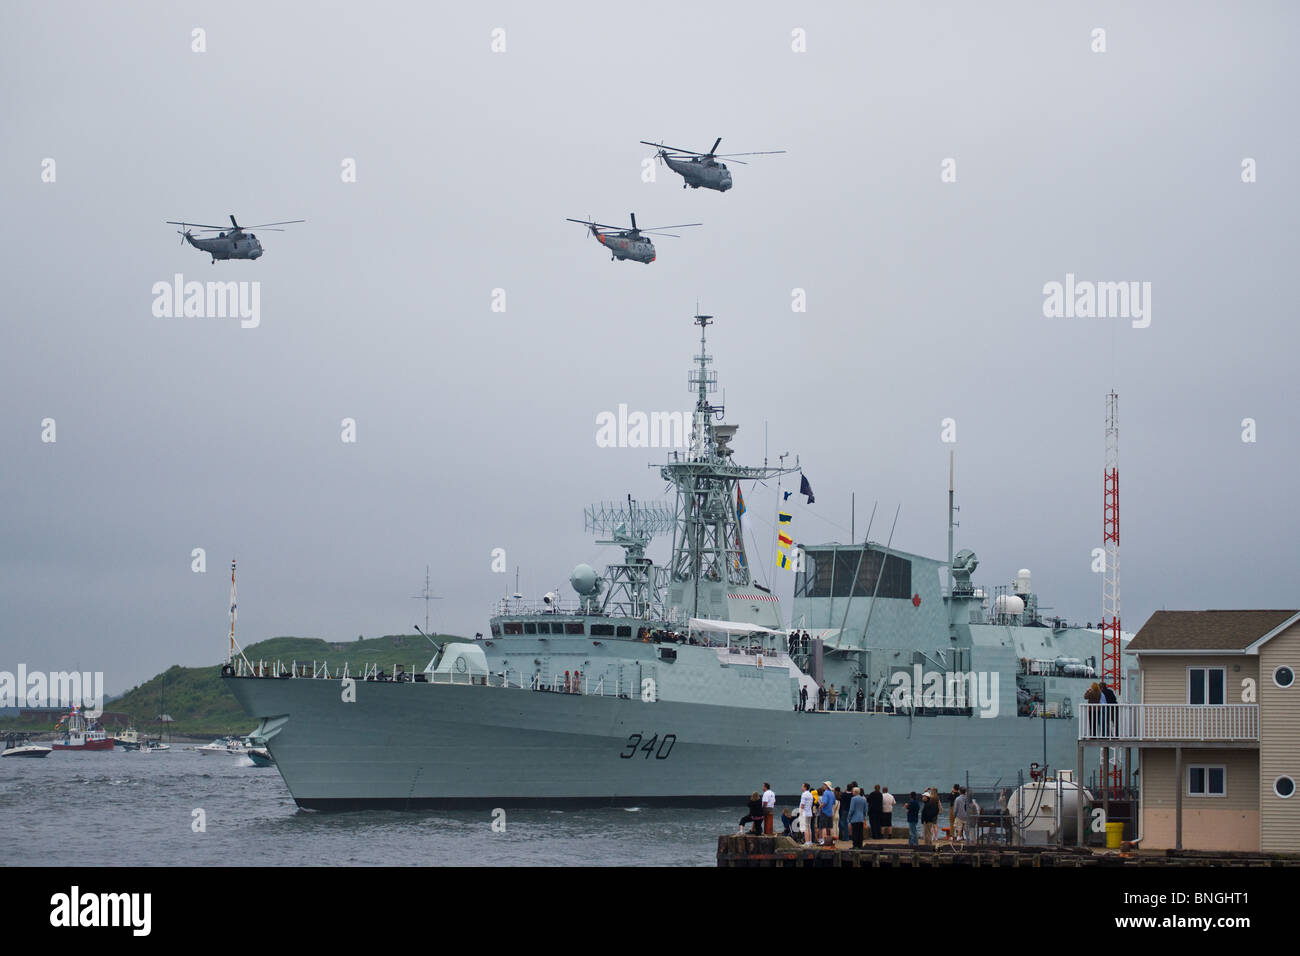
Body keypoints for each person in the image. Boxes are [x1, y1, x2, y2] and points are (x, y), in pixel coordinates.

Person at [817, 780, 836, 846]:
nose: (823, 786)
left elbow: (824, 802)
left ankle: (824, 841)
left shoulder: (825, 793)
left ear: (827, 786)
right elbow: (833, 802)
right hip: (830, 812)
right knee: (831, 827)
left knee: (823, 827)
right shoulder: (832, 793)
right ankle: (833, 841)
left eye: (824, 785)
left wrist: (820, 807)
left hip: (824, 812)